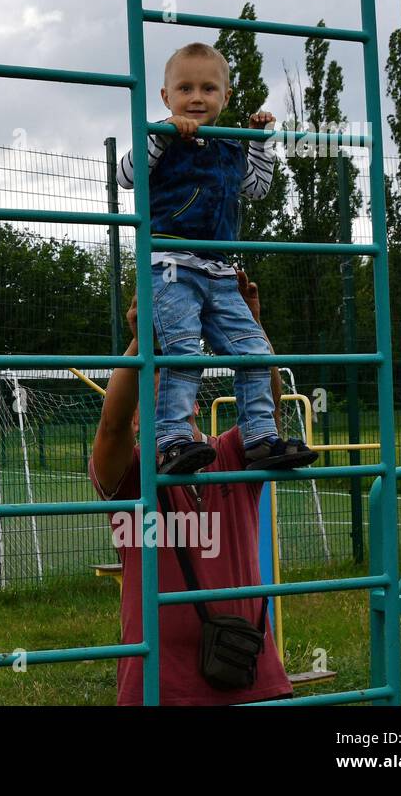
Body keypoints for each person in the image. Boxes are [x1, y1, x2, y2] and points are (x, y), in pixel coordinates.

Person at [89, 274, 293, 705]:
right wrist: (144, 340)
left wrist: (249, 327)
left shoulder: (232, 456)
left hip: (248, 668)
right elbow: (110, 425)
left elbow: (270, 408)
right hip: (161, 681)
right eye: (145, 389)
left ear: (194, 401)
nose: (156, 393)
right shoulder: (130, 474)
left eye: (167, 382)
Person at [117, 42, 316, 475]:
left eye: (209, 89)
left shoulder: (230, 146)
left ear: (225, 97)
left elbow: (258, 189)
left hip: (221, 272)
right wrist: (162, 132)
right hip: (170, 266)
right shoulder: (159, 136)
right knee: (182, 353)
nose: (197, 97)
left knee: (255, 352)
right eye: (185, 88)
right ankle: (172, 442)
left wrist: (260, 142)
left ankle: (260, 437)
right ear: (167, 97)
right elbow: (125, 176)